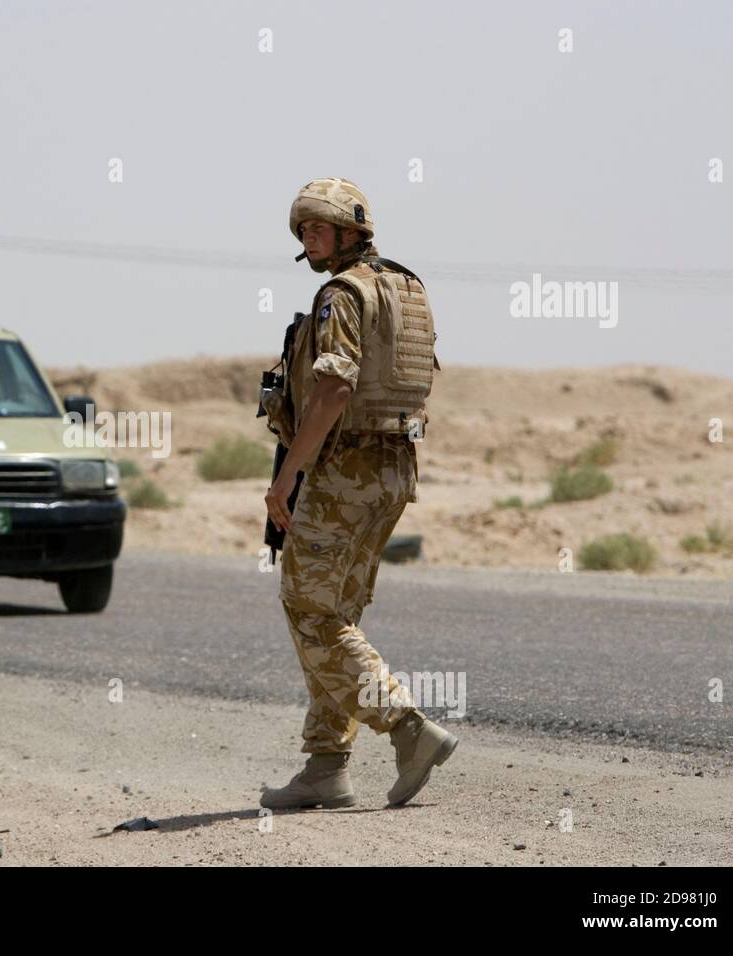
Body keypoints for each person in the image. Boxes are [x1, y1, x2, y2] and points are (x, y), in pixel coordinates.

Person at [260, 177, 456, 811]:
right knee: (333, 613)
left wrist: (289, 472)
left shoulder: (341, 295)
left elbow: (335, 389)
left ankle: (406, 729)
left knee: (309, 608)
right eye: (303, 230)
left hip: (344, 472)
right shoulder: (405, 288)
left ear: (352, 232)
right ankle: (326, 763)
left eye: (319, 227)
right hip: (394, 469)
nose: (308, 238)